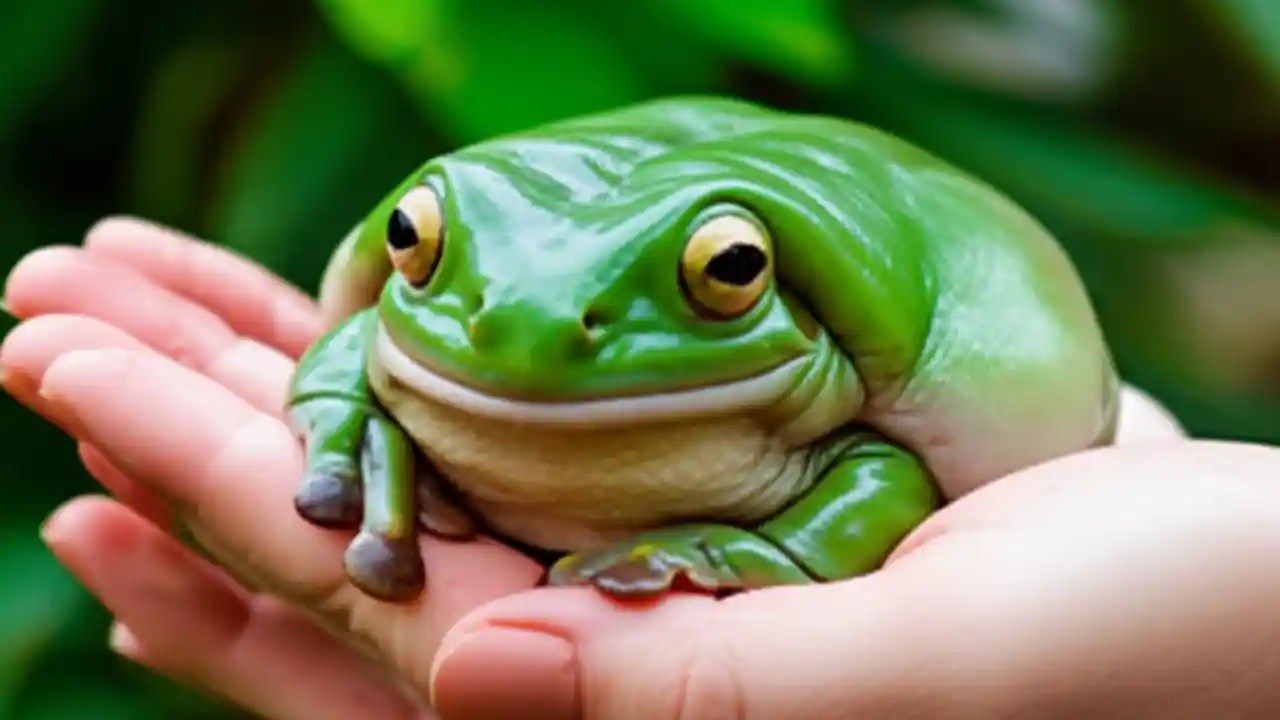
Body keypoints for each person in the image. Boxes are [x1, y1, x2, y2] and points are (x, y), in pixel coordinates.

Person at [2, 217, 1278, 720]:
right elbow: (352, 339)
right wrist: (349, 400)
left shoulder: (847, 382)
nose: (538, 335)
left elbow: (887, 472)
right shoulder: (408, 322)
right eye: (416, 247)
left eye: (720, 276)